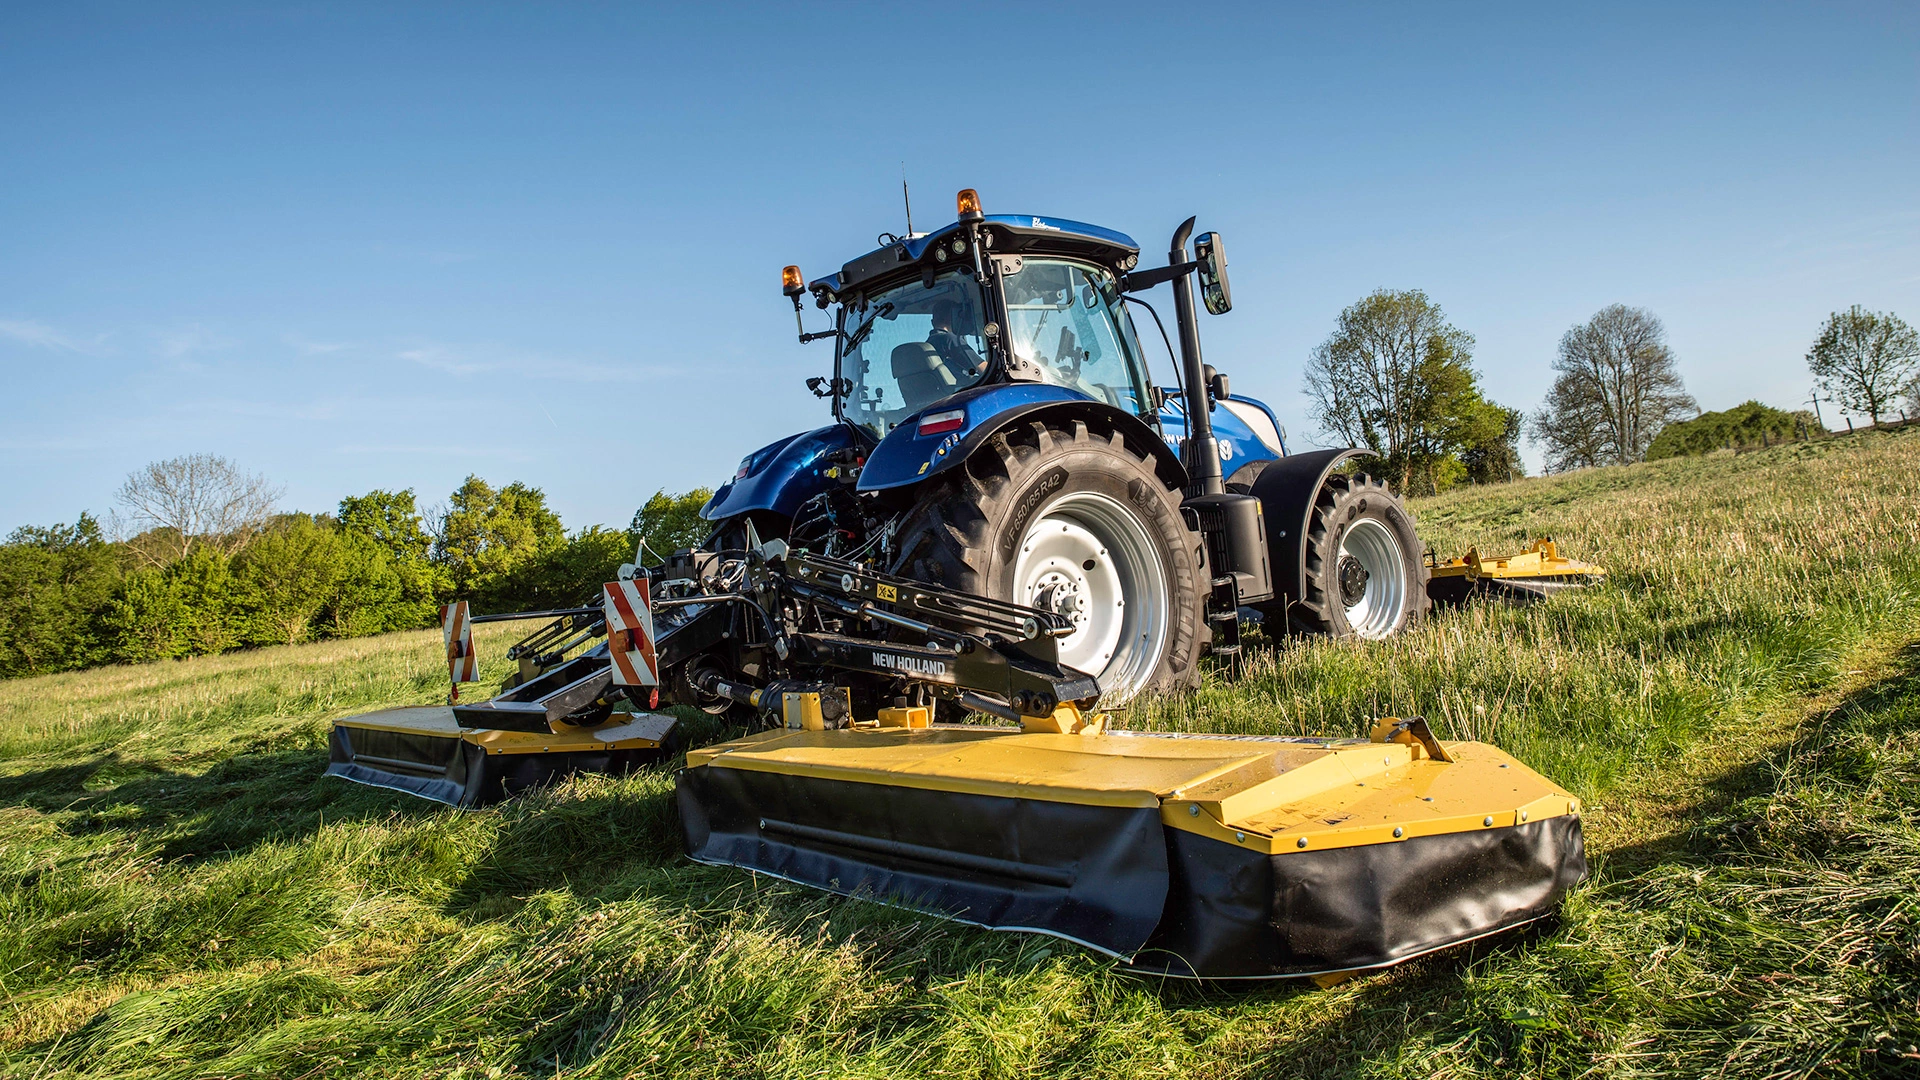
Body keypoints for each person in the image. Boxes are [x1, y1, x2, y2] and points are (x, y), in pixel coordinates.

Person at [927, 297, 988, 379]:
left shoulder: (929, 345)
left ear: (932, 322)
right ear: (953, 317)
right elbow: (984, 369)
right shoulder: (950, 339)